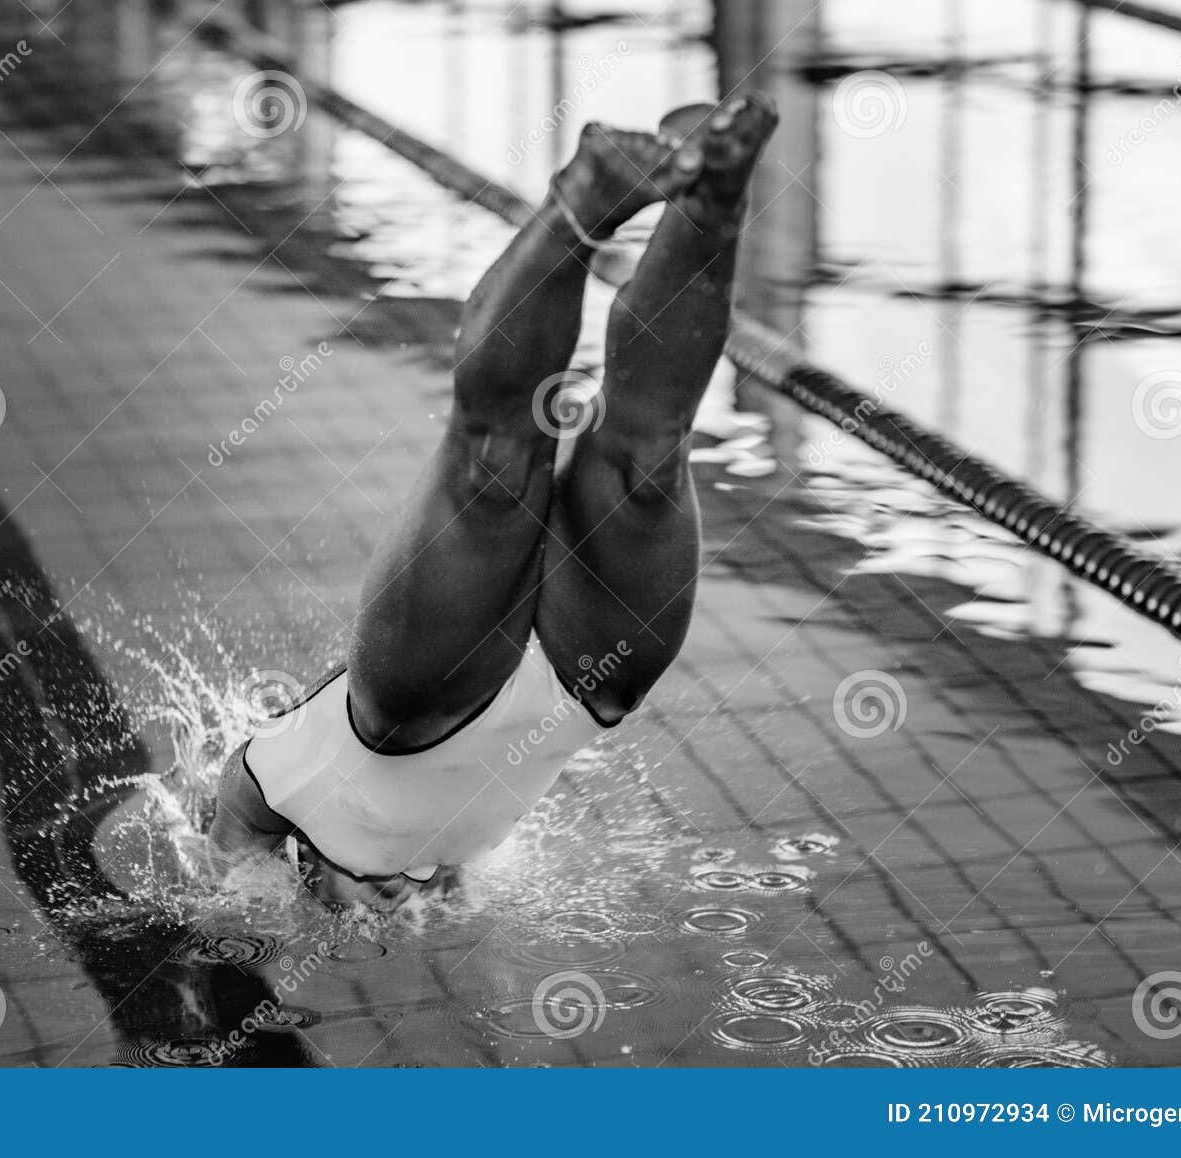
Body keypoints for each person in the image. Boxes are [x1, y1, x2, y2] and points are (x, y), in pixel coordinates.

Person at [209, 95, 779, 909]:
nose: (393, 914)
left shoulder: (270, 810)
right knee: (648, 463)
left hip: (410, 712)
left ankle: (585, 198)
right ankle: (714, 192)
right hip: (580, 695)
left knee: (495, 469)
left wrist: (255, 897)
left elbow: (234, 820)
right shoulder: (441, 877)